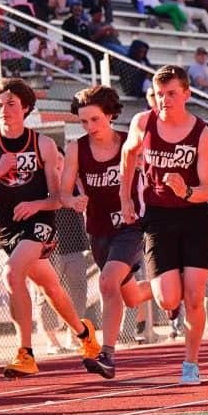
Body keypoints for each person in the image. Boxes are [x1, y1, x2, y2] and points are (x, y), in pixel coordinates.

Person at [0, 78, 101, 377]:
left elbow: (56, 199)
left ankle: (25, 352)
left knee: (12, 273)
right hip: (8, 229)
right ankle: (84, 334)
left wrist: (35, 206)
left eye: (11, 104)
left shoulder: (43, 144)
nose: (4, 110)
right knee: (49, 285)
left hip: (40, 224)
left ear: (25, 108)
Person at [119, 65, 208, 385]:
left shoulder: (202, 133)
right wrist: (125, 198)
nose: (165, 100)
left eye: (172, 94)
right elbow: (128, 154)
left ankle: (191, 363)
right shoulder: (142, 122)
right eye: (160, 95)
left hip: (195, 217)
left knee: (193, 298)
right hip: (158, 218)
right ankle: (170, 287)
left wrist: (186, 190)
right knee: (167, 300)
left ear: (187, 94)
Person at [61, 86, 155, 378]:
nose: (89, 127)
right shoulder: (77, 147)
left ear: (111, 115)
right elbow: (64, 192)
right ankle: (173, 285)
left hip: (130, 224)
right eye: (84, 122)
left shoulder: (130, 142)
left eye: (95, 120)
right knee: (131, 296)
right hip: (98, 228)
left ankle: (107, 354)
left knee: (106, 281)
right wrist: (73, 200)